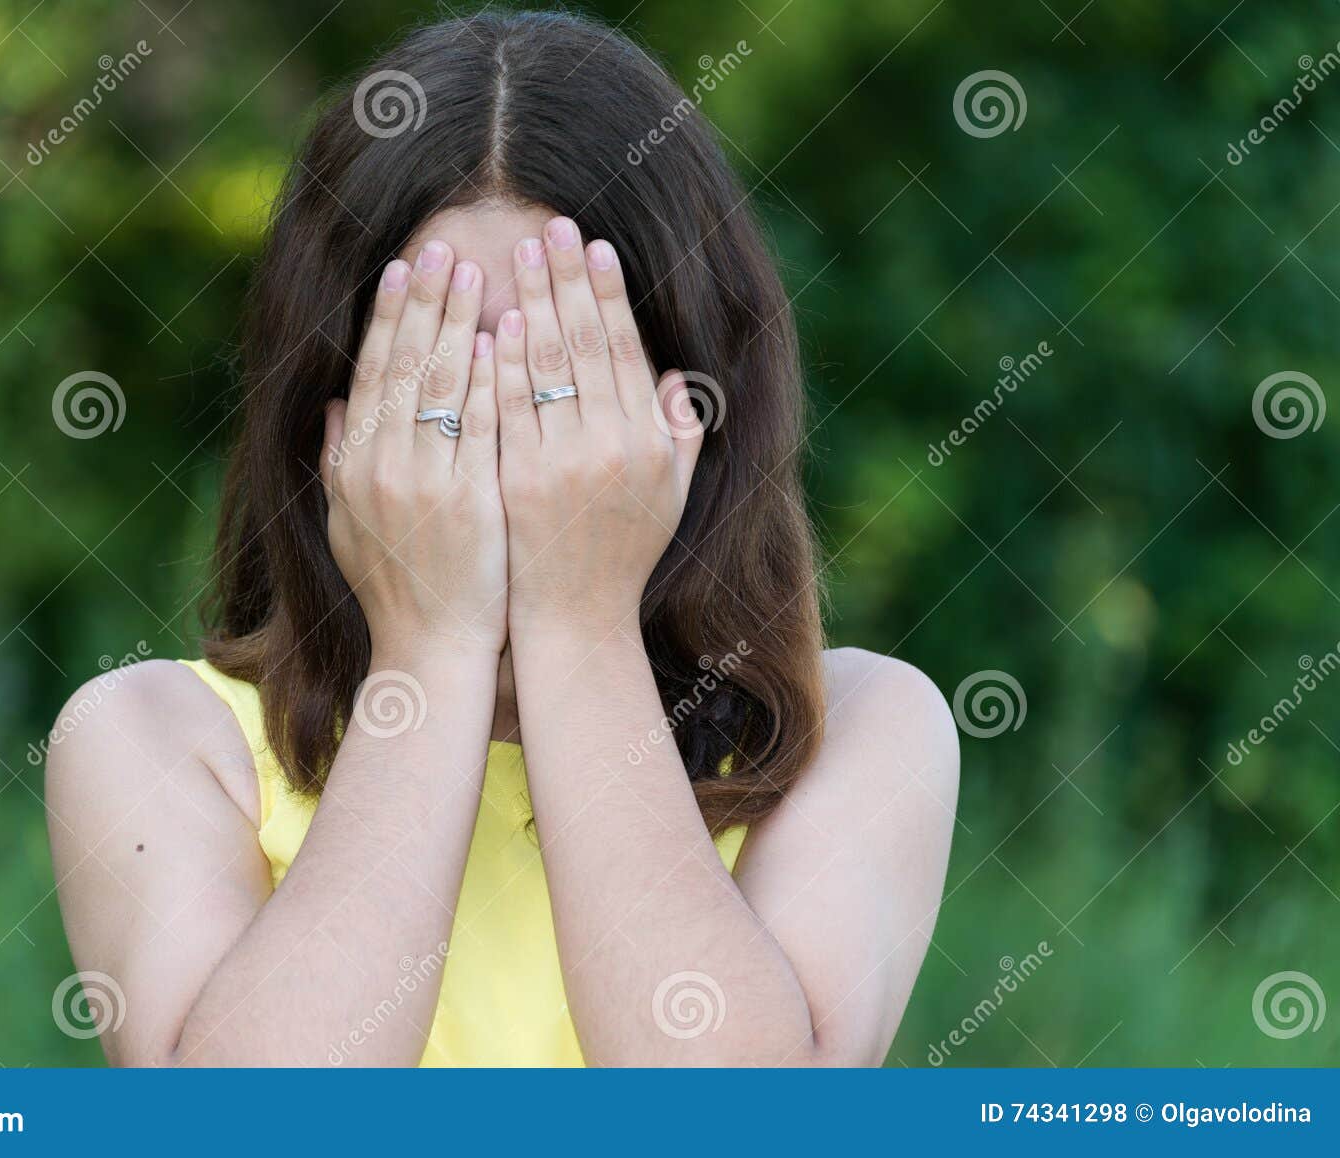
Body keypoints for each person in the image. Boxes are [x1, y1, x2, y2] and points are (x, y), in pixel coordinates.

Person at [47, 10, 958, 1067]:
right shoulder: (157, 742)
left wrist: (580, 624)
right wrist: (429, 647)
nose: (500, 426)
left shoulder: (853, 733)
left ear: (695, 399)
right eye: (437, 369)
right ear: (330, 410)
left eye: (565, 367)